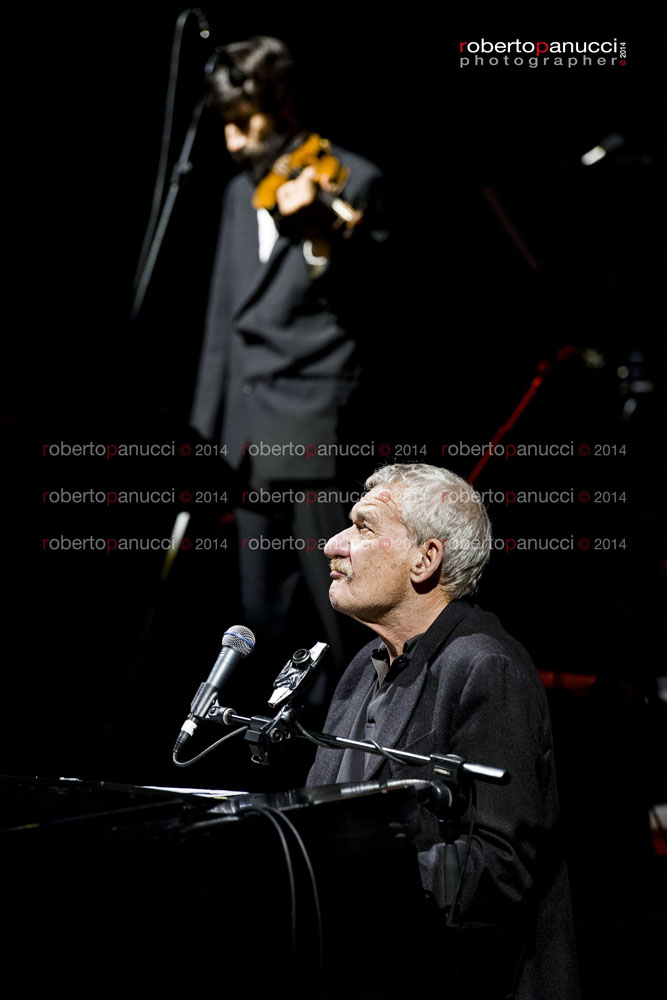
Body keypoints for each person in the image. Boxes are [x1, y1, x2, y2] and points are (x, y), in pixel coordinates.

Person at [306, 463, 580, 999]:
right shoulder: (362, 666)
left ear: (425, 560)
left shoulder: (484, 666)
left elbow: (504, 868)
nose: (333, 545)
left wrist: (362, 872)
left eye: (363, 528)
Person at [189, 36, 386, 678]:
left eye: (245, 124)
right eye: (226, 126)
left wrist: (319, 235)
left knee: (338, 620)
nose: (234, 142)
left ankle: (353, 765)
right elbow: (224, 321)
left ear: (282, 105)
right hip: (245, 443)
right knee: (257, 620)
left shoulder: (354, 178)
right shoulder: (235, 195)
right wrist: (205, 439)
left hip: (312, 437)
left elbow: (372, 302)